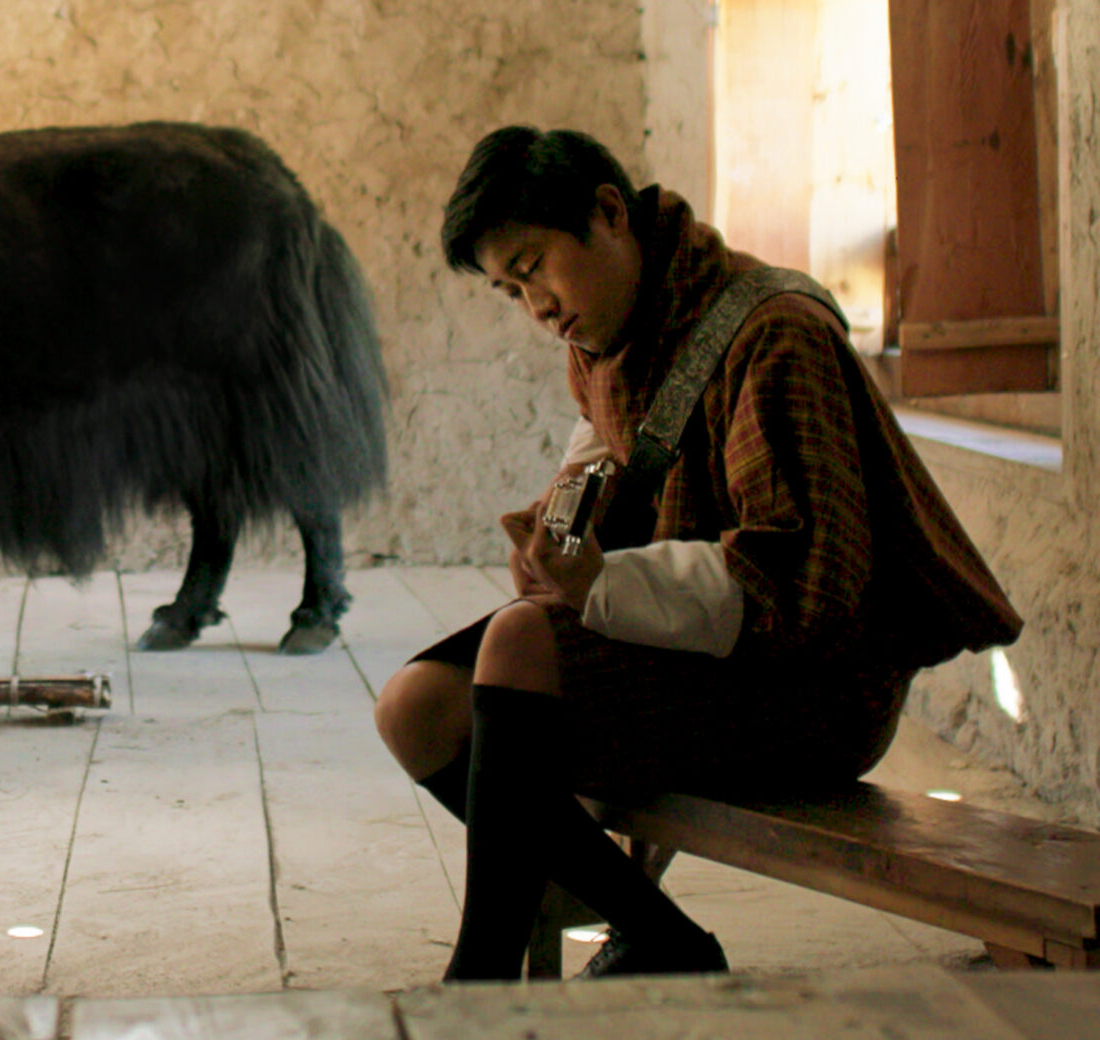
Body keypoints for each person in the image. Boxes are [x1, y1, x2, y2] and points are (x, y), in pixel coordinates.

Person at [375, 125, 1022, 982]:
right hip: (706, 654)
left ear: (608, 212)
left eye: (532, 267)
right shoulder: (611, 330)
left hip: (814, 683)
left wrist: (601, 584)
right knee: (413, 708)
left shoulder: (776, 336)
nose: (533, 306)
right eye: (508, 290)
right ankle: (660, 933)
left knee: (521, 646)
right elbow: (613, 435)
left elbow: (794, 581)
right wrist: (559, 528)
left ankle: (478, 986)